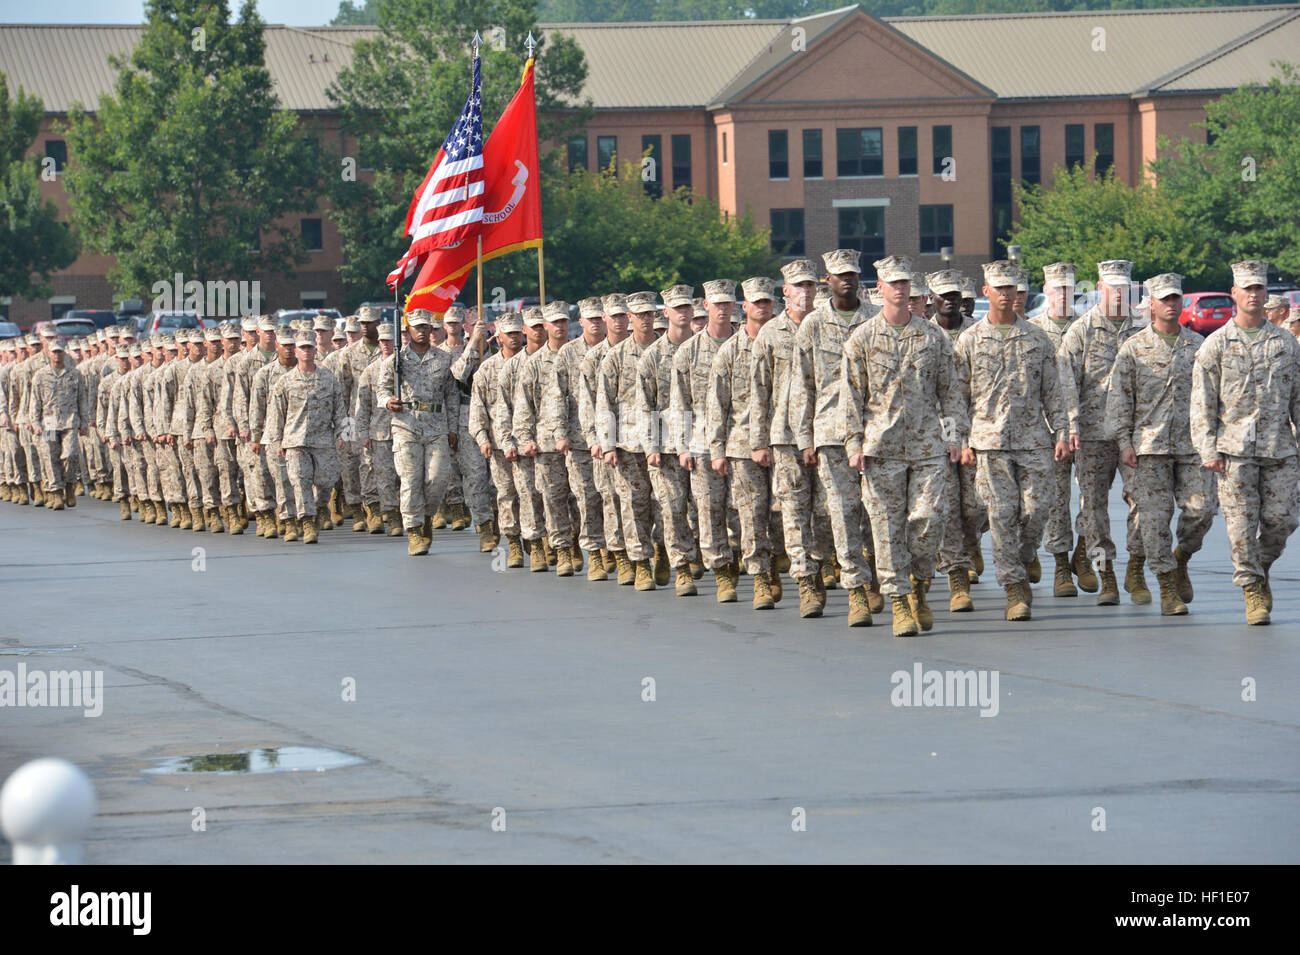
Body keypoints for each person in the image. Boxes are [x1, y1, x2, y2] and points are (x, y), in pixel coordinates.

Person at [844, 255, 966, 636]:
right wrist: (853, 443)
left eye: (905, 283)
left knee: (929, 520)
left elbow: (951, 392)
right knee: (885, 528)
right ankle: (899, 601)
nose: (899, 289)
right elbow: (851, 396)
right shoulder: (862, 338)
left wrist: (954, 437)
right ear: (878, 289)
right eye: (892, 283)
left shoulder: (933, 337)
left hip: (928, 446)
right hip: (881, 447)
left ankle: (920, 583)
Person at [953, 261, 1071, 621]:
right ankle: (1014, 588)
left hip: (1034, 437)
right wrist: (962, 440)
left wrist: (1063, 431)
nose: (1006, 294)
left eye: (1012, 288)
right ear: (985, 291)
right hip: (989, 442)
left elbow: (1053, 390)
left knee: (1038, 508)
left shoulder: (1037, 338)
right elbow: (956, 396)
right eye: (998, 288)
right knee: (1002, 514)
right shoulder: (970, 340)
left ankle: (1024, 553)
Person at [1191, 259, 1300, 625]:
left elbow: (1298, 398)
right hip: (1233, 451)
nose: (1254, 294)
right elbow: (1202, 402)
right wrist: (1208, 449)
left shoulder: (1285, 342)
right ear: (1234, 293)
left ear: (1266, 294)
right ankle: (1252, 589)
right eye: (1247, 289)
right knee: (1240, 524)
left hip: (1279, 447)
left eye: (1259, 288)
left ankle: (1261, 565)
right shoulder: (1216, 345)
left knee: (1283, 519)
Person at [1106, 272, 1215, 616]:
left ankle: (1181, 557)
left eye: (1175, 298)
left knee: (1203, 510)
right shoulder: (1134, 348)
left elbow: (1212, 397)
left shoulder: (1198, 346)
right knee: (1154, 520)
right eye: (1164, 299)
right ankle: (1168, 587)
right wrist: (1124, 442)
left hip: (1191, 445)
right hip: (1148, 448)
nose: (1170, 304)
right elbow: (1119, 400)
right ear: (1150, 304)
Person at [791, 249, 878, 619]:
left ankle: (876, 573)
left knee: (878, 510)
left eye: (853, 273)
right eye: (840, 274)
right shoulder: (813, 324)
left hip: (875, 432)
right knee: (842, 510)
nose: (847, 279)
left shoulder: (875, 319)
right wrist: (805, 438)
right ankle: (856, 586)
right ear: (828, 279)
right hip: (829, 431)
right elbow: (803, 384)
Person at [751, 258, 833, 617]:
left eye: (810, 285)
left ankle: (824, 562)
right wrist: (758, 441)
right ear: (785, 291)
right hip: (785, 436)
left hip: (828, 432)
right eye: (798, 286)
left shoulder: (828, 327)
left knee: (829, 510)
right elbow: (759, 391)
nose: (805, 292)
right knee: (795, 511)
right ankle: (805, 582)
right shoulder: (771, 333)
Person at [707, 277, 782, 610]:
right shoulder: (730, 352)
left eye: (768, 301)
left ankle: (779, 563)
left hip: (784, 441)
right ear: (745, 308)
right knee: (751, 514)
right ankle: (760, 577)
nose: (763, 307)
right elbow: (717, 404)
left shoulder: (786, 343)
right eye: (757, 302)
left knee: (783, 513)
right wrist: (716, 449)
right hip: (741, 446)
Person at [672, 280, 737, 601]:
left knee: (743, 510)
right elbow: (679, 402)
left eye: (728, 303)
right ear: (706, 307)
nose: (723, 309)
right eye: (717, 303)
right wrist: (682, 446)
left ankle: (749, 563)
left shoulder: (746, 345)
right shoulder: (689, 352)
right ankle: (722, 571)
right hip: (700, 444)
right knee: (709, 510)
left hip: (740, 442)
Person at [377, 308, 459, 556]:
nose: (422, 331)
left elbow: (452, 396)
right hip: (405, 425)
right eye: (417, 327)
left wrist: (453, 428)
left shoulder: (443, 359)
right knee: (411, 480)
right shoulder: (395, 361)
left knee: (437, 478)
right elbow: (381, 390)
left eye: (426, 327)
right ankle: (414, 530)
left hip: (436, 426)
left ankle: (426, 515)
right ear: (408, 330)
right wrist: (388, 401)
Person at [597, 292, 661, 590]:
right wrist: (608, 444)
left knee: (666, 504)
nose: (646, 319)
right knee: (633, 505)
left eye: (650, 313)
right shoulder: (616, 357)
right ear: (630, 319)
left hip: (664, 443)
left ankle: (665, 551)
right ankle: (639, 562)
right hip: (628, 444)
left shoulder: (667, 352)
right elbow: (604, 403)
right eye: (640, 315)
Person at [639, 285, 701, 596]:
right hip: (665, 446)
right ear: (666, 313)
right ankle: (682, 568)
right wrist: (651, 446)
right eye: (677, 308)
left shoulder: (705, 349)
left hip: (702, 441)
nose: (683, 313)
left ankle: (689, 551)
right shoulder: (652, 357)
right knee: (674, 507)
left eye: (687, 307)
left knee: (703, 508)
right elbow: (644, 405)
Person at [1029, 262, 1085, 596]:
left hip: (1089, 426)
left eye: (1068, 290)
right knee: (1056, 501)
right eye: (1057, 289)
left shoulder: (1088, 327)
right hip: (1048, 429)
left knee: (1092, 503)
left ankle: (1083, 554)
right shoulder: (1034, 330)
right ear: (1047, 292)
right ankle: (1061, 567)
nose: (1063, 295)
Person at [263, 329, 346, 543]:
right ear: (296, 352)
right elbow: (276, 414)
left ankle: (320, 507)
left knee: (327, 480)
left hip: (323, 440)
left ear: (315, 349)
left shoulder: (328, 378)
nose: (306, 351)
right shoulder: (285, 381)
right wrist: (277, 442)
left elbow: (340, 409)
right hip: (295, 441)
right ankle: (307, 521)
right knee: (300, 481)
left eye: (310, 347)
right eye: (302, 347)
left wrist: (342, 434)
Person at [515, 301, 580, 575]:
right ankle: (562, 549)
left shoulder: (582, 355)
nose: (559, 327)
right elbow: (523, 407)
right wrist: (523, 439)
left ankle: (576, 542)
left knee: (581, 497)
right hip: (545, 442)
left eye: (563, 321)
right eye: (553, 323)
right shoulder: (533, 364)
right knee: (553, 498)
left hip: (579, 440)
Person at [557, 297, 610, 580]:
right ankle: (594, 553)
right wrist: (561, 433)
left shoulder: (616, 348)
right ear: (582, 323)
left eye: (599, 318)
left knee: (611, 497)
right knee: (587, 497)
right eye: (591, 320)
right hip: (579, 441)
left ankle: (612, 547)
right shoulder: (568, 354)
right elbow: (558, 397)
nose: (596, 324)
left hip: (613, 438)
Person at [29, 337, 90, 509]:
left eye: (60, 351)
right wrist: (35, 423)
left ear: (65, 353)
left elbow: (82, 400)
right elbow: (35, 402)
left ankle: (69, 485)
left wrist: (84, 423)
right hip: (48, 423)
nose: (57, 355)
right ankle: (55, 492)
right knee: (50, 457)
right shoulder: (40, 376)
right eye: (54, 351)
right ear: (49, 353)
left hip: (70, 423)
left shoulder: (75, 374)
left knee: (70, 455)